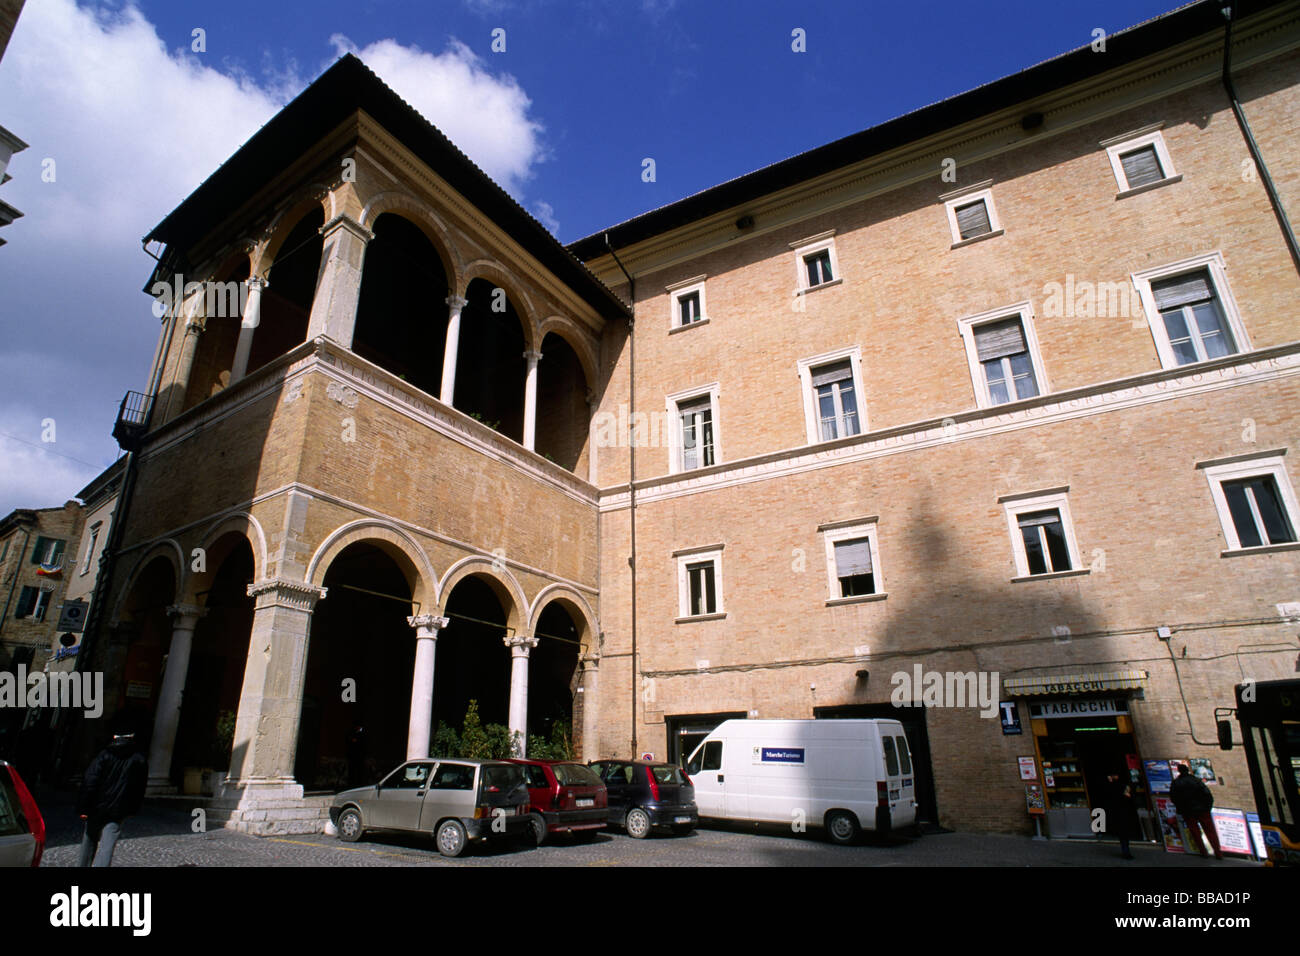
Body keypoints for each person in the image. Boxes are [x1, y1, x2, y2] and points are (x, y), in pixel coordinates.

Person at [76, 726, 148, 867]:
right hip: (118, 808)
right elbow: (139, 788)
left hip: (97, 805)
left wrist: (83, 807)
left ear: (115, 737)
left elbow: (90, 780)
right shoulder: (138, 759)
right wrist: (133, 809)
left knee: (89, 839)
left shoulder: (104, 755)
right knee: (107, 845)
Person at [1168, 762, 1222, 860]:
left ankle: (1203, 852)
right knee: (1210, 831)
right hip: (1202, 809)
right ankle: (1218, 852)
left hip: (1187, 811)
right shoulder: (1196, 780)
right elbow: (1207, 794)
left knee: (1195, 832)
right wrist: (1207, 807)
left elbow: (1174, 798)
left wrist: (1180, 808)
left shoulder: (1176, 783)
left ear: (1179, 771)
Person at [1102, 769, 1139, 860]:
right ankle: (1126, 850)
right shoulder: (1122, 786)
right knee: (1124, 832)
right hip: (1123, 812)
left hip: (1121, 812)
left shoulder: (1117, 786)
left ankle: (1125, 850)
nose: (1111, 777)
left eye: (1112, 776)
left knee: (1123, 832)